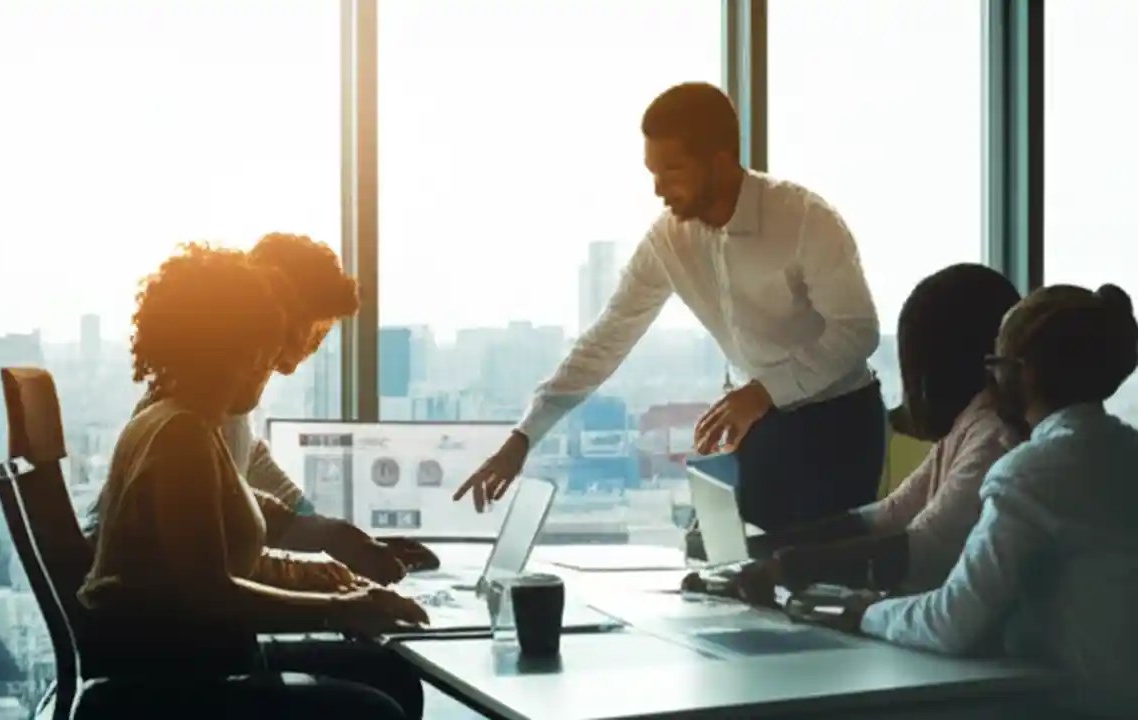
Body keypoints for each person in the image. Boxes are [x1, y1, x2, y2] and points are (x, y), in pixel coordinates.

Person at [455, 82, 885, 531]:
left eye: (672, 170)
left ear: (719, 163)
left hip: (838, 422)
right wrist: (525, 436)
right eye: (652, 172)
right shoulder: (669, 239)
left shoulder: (805, 220)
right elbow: (606, 338)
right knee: (750, 574)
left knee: (826, 579)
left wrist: (763, 391)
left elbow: (857, 332)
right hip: (757, 422)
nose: (659, 189)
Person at [79, 243, 428, 718]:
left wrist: (330, 544)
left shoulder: (184, 421)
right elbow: (210, 595)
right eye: (264, 360)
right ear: (236, 355)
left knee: (390, 674)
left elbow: (240, 509)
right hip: (174, 681)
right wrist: (337, 608)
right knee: (376, 709)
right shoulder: (181, 436)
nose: (268, 375)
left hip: (186, 659)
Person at [815, 284, 1138, 717]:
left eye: (997, 364)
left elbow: (954, 621)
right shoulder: (1123, 449)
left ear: (1025, 374)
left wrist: (864, 611)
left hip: (1071, 702)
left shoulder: (1030, 471)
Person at [85, 232, 436, 586]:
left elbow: (235, 482)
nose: (312, 342)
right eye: (312, 326)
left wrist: (326, 532)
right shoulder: (186, 427)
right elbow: (211, 588)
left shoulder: (198, 400)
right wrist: (339, 590)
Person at [726, 264, 1024, 600]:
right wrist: (760, 548)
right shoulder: (970, 426)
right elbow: (888, 516)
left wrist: (787, 567)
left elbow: (926, 550)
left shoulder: (993, 439)